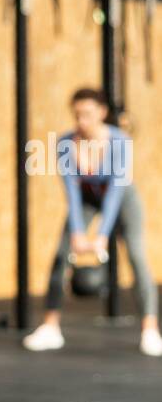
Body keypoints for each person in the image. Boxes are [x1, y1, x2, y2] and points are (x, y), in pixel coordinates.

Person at [23, 87, 160, 355]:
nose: (81, 120)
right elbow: (72, 192)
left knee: (136, 254)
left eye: (87, 114)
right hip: (87, 199)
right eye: (77, 114)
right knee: (62, 253)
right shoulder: (66, 144)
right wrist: (77, 232)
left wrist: (101, 236)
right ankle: (50, 328)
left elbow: (115, 193)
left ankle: (150, 329)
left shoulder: (119, 141)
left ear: (102, 113)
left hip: (121, 198)